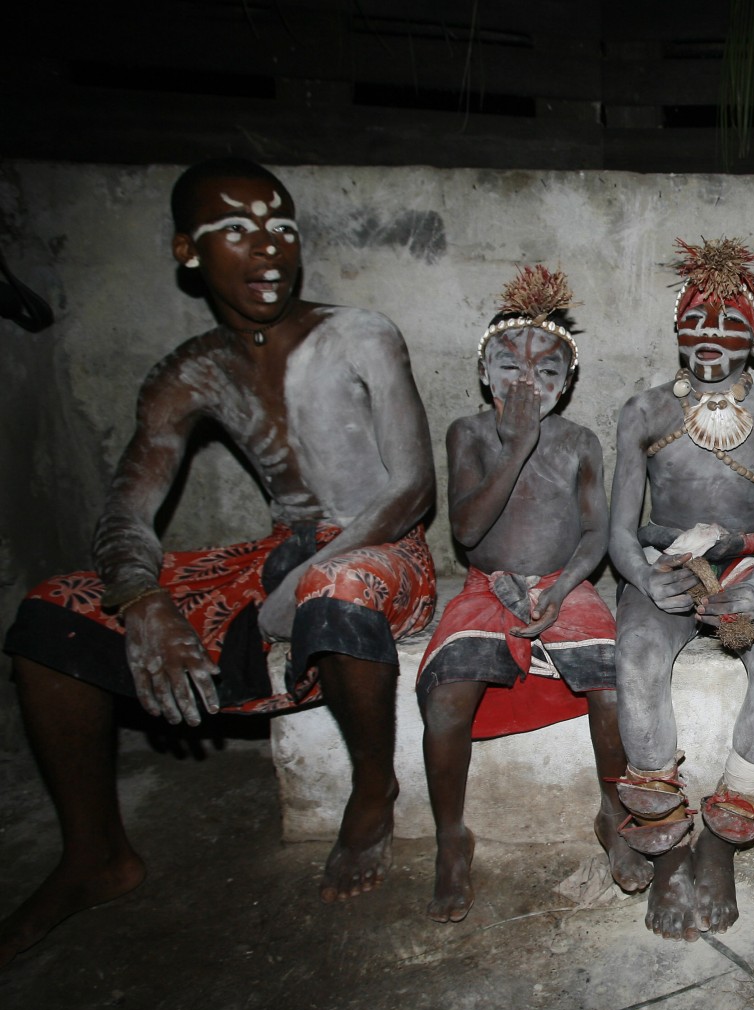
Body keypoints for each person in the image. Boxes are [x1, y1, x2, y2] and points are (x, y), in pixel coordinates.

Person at [1, 159, 437, 966]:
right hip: (285, 549)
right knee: (51, 610)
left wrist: (309, 575)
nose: (268, 246)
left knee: (338, 586)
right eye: (235, 229)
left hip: (381, 544)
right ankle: (95, 856)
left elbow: (411, 489)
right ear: (185, 251)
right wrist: (141, 597)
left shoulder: (360, 333)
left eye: (280, 224)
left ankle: (372, 791)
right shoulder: (191, 372)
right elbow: (128, 509)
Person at [414, 265, 648, 922]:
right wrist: (515, 447)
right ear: (484, 370)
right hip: (490, 585)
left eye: (546, 371)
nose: (526, 383)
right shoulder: (468, 432)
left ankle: (615, 813)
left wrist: (567, 584)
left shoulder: (580, 441)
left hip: (563, 586)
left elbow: (598, 531)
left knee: (611, 686)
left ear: (567, 383)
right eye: (509, 366)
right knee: (447, 698)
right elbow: (465, 529)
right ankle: (450, 837)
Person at [608, 238, 754, 941]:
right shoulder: (644, 411)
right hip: (665, 564)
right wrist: (643, 579)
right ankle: (664, 845)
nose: (711, 339)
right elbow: (619, 531)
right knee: (634, 654)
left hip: (753, 571)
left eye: (730, 325)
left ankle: (722, 837)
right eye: (696, 322)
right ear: (676, 329)